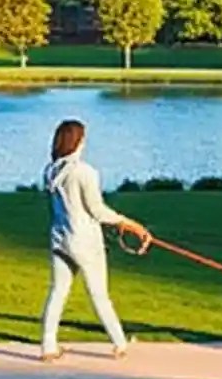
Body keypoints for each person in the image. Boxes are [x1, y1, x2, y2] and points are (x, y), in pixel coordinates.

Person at [40, 120, 152, 362]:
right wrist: (131, 225)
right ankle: (119, 343)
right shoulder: (86, 172)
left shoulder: (50, 171)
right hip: (85, 243)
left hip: (60, 239)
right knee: (99, 295)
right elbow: (98, 211)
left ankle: (48, 346)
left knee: (58, 292)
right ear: (78, 141)